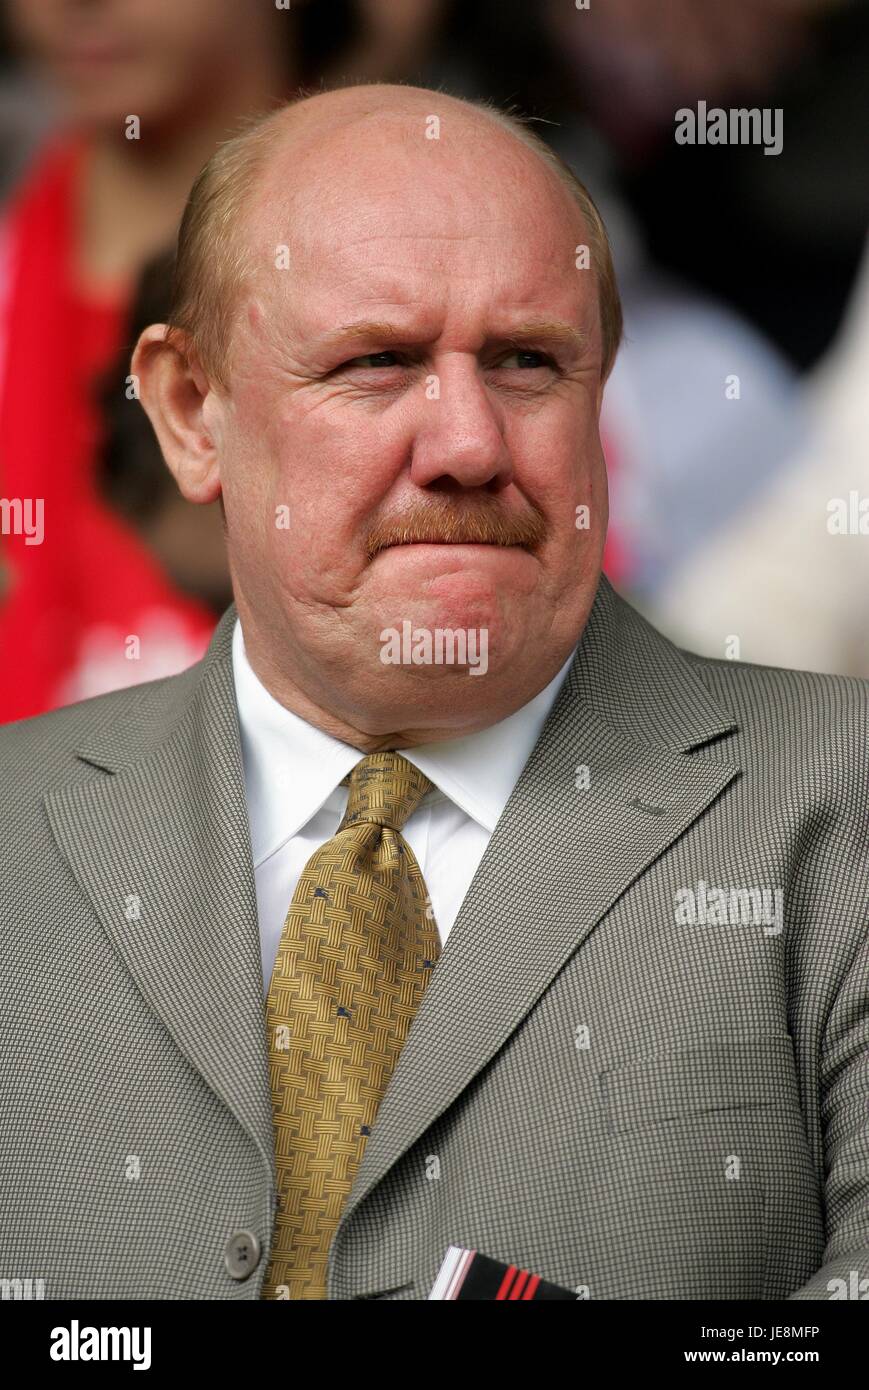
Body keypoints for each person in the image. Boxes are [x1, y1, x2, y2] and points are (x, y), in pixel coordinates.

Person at [0, 84, 866, 1302]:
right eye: (376, 362)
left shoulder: (842, 805)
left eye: (526, 361)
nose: (464, 440)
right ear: (191, 411)